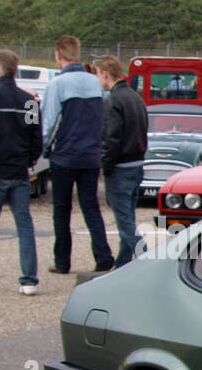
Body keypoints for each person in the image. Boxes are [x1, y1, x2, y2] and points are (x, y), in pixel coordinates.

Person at [43, 35, 113, 274]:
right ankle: (104, 256)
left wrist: (43, 148)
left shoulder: (57, 84)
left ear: (58, 55)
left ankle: (63, 262)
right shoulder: (95, 83)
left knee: (61, 210)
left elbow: (49, 122)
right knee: (91, 206)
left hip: (65, 155)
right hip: (91, 156)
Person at [0, 49, 42, 294]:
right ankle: (29, 279)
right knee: (25, 225)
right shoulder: (28, 101)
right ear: (16, 70)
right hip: (19, 171)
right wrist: (28, 161)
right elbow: (36, 139)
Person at [96, 55, 148, 268]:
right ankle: (123, 264)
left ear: (106, 74)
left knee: (124, 222)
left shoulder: (113, 101)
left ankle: (147, 261)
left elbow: (111, 137)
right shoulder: (136, 97)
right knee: (128, 218)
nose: (98, 79)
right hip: (137, 164)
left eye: (98, 75)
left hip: (120, 167)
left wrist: (105, 166)